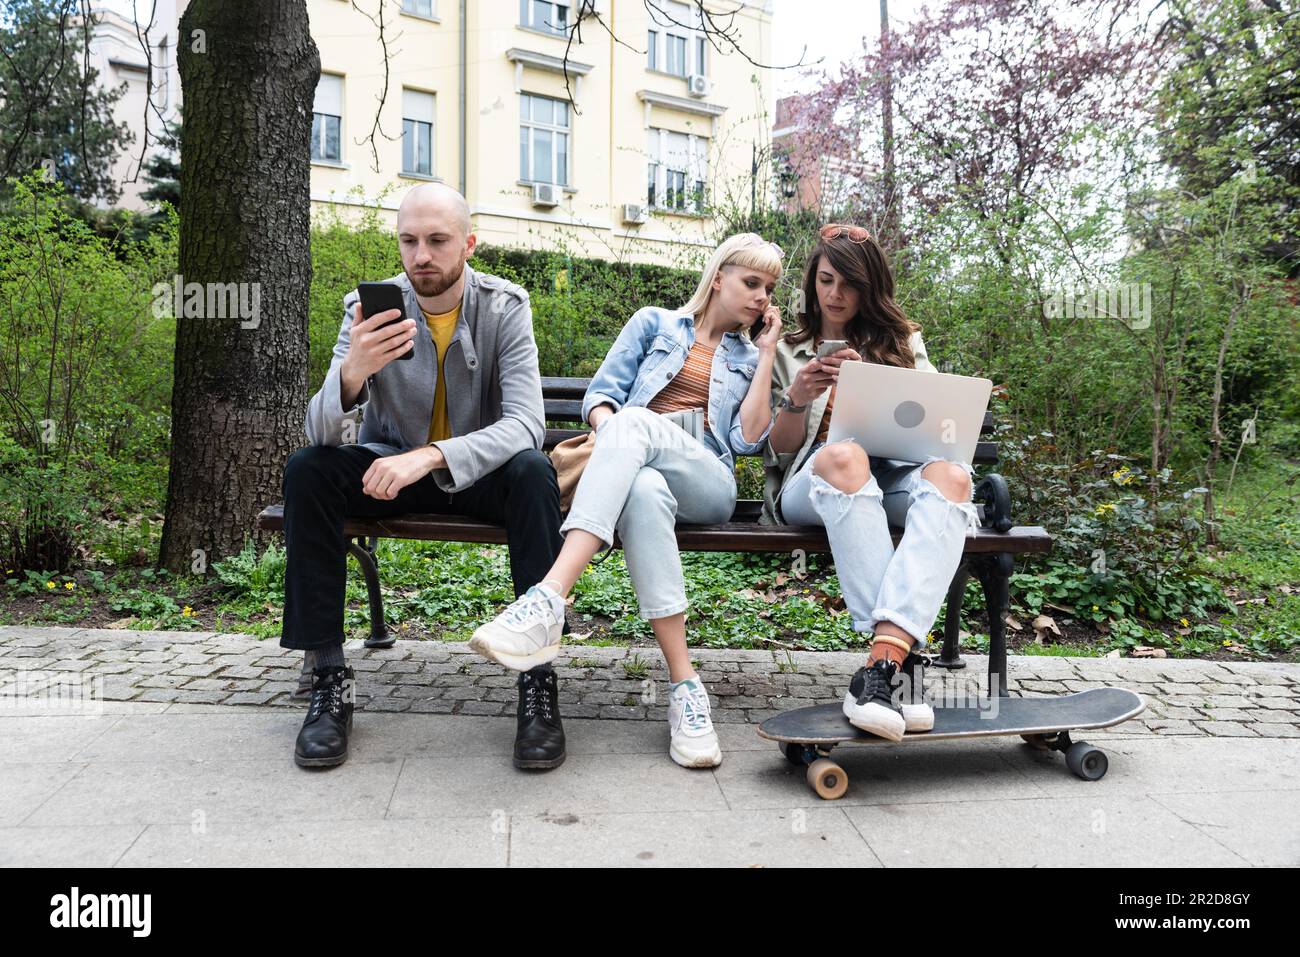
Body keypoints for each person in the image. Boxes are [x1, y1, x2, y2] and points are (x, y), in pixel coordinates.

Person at [469, 233, 785, 768]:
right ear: (718, 276)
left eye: (769, 288)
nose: (761, 296)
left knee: (636, 425)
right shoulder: (653, 324)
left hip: (708, 480)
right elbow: (601, 398)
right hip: (640, 473)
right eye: (751, 282)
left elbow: (748, 441)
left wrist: (768, 353)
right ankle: (686, 689)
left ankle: (549, 597)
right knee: (640, 485)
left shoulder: (749, 355)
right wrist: (619, 441)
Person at [281, 182, 566, 770]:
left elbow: (525, 426)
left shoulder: (504, 306)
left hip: (478, 476)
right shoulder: (366, 310)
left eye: (438, 241)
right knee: (309, 470)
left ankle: (537, 680)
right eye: (409, 241)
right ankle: (329, 676)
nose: (421, 257)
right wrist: (352, 374)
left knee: (534, 471)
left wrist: (434, 454)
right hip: (392, 471)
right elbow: (320, 432)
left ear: (469, 243)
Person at [763, 224, 981, 742]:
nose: (835, 295)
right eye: (825, 280)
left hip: (895, 478)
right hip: (816, 480)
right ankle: (897, 665)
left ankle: (882, 666)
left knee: (952, 478)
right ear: (812, 281)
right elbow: (778, 448)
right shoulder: (789, 348)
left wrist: (878, 377)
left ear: (870, 287)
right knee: (845, 457)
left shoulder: (903, 341)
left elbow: (939, 431)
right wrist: (798, 394)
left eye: (849, 284)